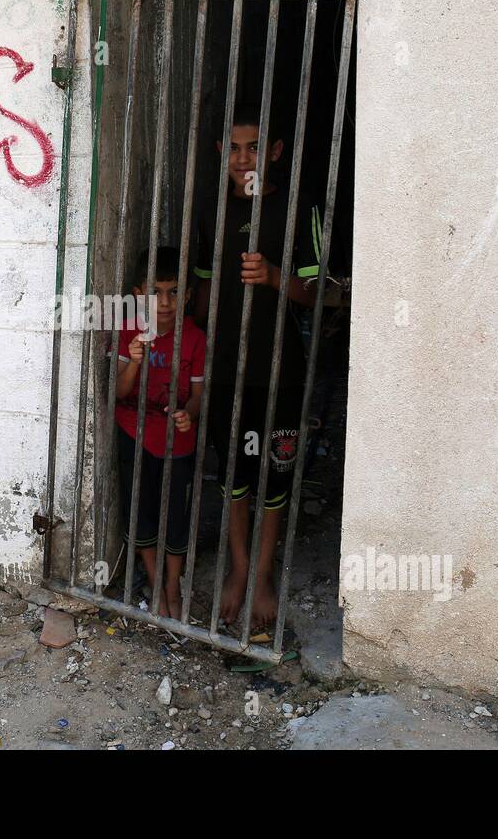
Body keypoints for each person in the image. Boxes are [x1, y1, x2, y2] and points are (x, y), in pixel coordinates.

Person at [195, 104, 321, 630]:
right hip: (226, 366)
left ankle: (264, 573)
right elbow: (198, 292)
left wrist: (274, 278)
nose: (243, 158)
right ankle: (240, 568)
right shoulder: (210, 211)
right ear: (222, 153)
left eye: (254, 147)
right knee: (235, 474)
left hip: (280, 369)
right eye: (234, 147)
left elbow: (324, 294)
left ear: (274, 152)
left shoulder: (298, 209)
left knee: (275, 474)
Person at [114, 246, 206, 618]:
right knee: (141, 509)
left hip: (177, 440)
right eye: (156, 292)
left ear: (186, 295)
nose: (165, 302)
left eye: (173, 292)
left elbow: (199, 395)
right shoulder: (128, 329)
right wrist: (135, 362)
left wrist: (188, 414)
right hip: (132, 433)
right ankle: (154, 584)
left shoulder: (195, 338)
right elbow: (119, 392)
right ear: (139, 294)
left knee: (176, 516)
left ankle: (172, 587)